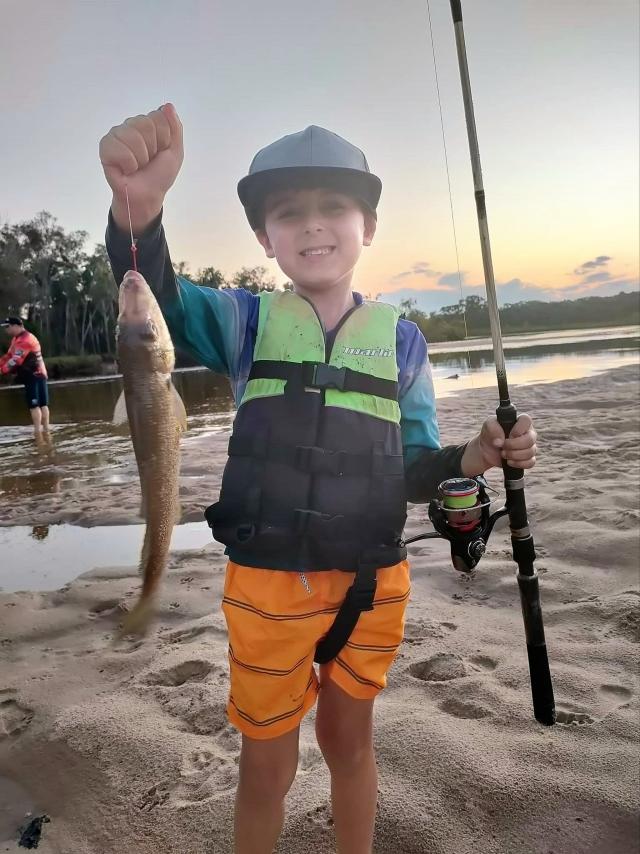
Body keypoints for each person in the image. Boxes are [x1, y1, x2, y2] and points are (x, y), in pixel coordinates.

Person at [100, 104, 537, 854]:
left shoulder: (402, 342)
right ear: (264, 238)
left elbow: (417, 466)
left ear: (369, 225)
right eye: (288, 212)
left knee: (350, 743)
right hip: (267, 588)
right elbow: (157, 298)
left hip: (371, 584)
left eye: (334, 205)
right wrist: (137, 212)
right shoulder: (242, 321)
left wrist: (476, 455)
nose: (312, 226)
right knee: (266, 764)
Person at [0, 316, 50, 440]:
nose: (6, 330)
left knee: (35, 405)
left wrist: (2, 370)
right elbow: (9, 356)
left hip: (33, 374)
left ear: (17, 326)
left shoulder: (24, 340)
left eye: (8, 327)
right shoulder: (17, 339)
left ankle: (38, 433)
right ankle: (46, 431)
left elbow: (15, 360)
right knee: (43, 404)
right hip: (40, 373)